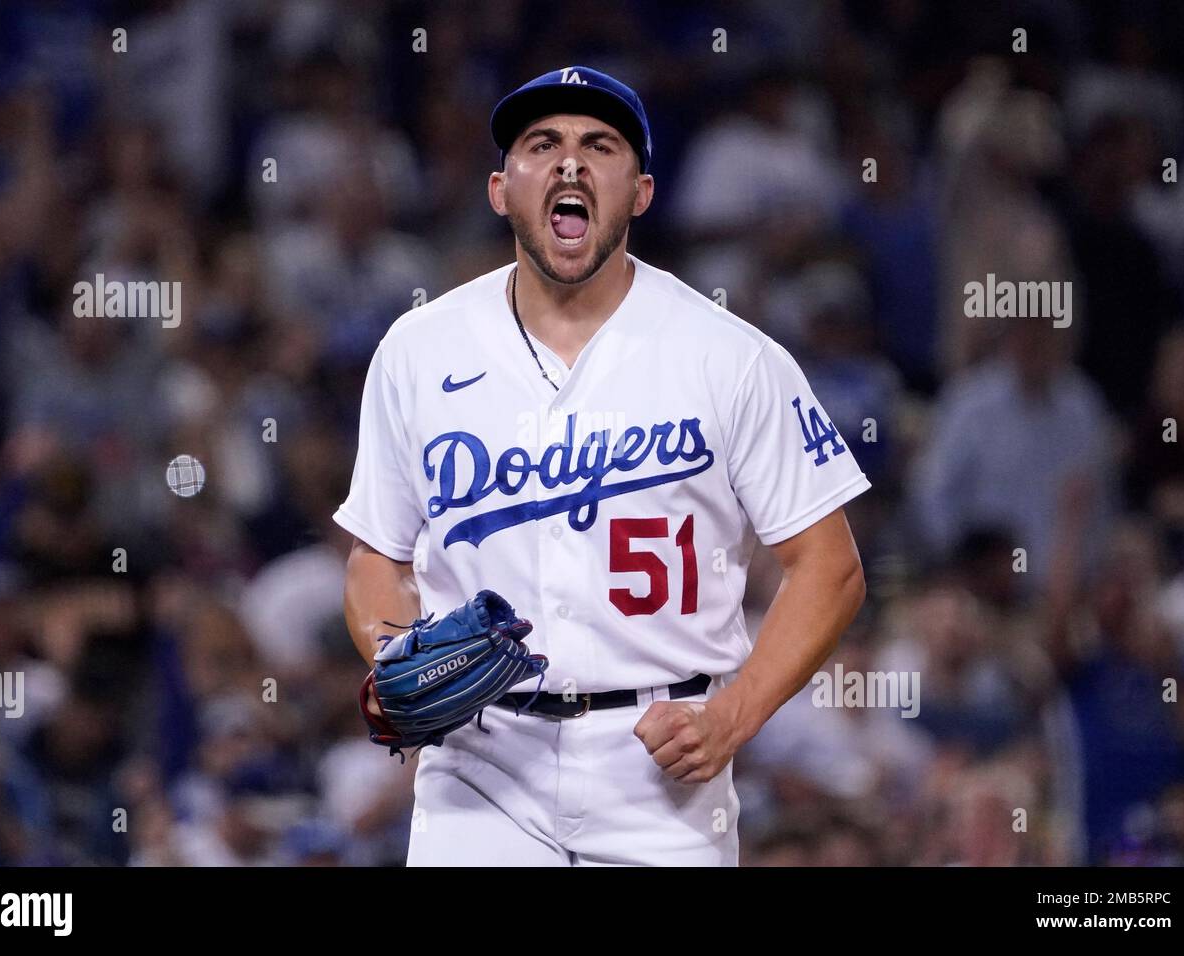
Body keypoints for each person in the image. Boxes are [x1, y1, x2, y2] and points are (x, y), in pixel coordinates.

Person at [334, 66, 869, 866]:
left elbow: (830, 566)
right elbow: (376, 557)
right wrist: (396, 652)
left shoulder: (729, 357)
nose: (570, 165)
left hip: (659, 767)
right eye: (542, 144)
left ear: (642, 191)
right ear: (498, 188)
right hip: (481, 759)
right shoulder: (419, 351)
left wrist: (734, 716)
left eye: (600, 145)